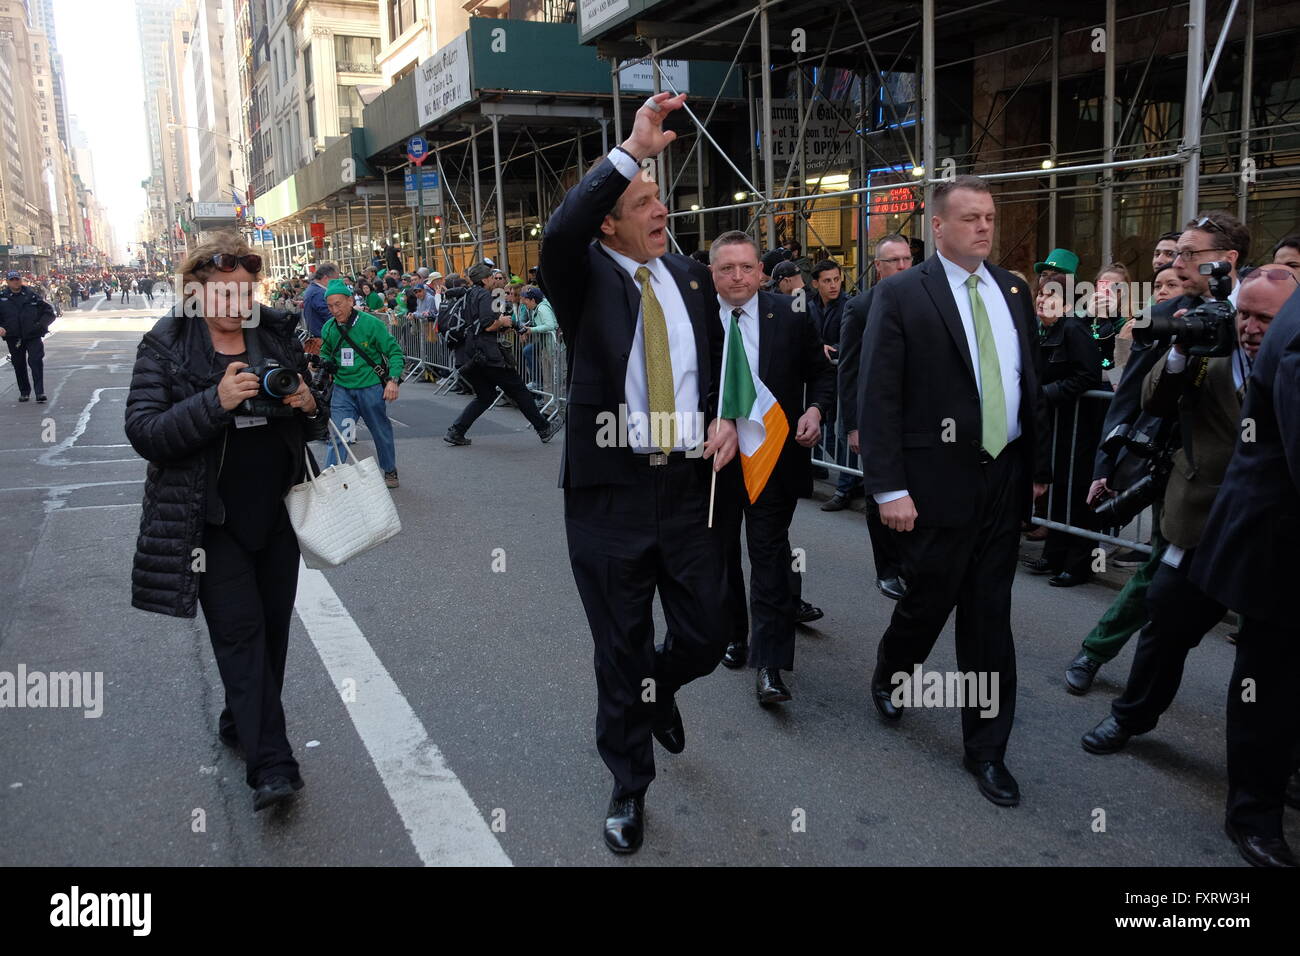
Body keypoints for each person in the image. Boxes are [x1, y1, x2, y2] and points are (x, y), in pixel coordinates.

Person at [539, 90, 737, 854]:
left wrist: (725, 415)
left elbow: (718, 367)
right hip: (608, 497)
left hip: (686, 488)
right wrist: (631, 149)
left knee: (707, 631)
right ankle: (629, 784)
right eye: (644, 201)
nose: (660, 211)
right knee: (618, 647)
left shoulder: (690, 278)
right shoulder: (580, 275)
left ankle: (660, 689)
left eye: (661, 199)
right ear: (609, 223)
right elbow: (559, 229)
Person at [858, 174, 1051, 807]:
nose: (985, 227)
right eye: (971, 218)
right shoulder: (904, 294)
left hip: (1003, 474)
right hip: (934, 481)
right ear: (937, 226)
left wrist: (1038, 467)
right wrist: (888, 487)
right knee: (928, 600)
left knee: (990, 617)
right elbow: (879, 394)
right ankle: (894, 670)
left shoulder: (1014, 290)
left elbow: (1028, 380)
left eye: (990, 217)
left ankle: (987, 749)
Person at [124, 233, 328, 813]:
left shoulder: (276, 332)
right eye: (225, 292)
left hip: (278, 514)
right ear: (195, 294)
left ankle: (243, 721)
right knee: (240, 634)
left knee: (273, 632)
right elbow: (146, 432)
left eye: (247, 290)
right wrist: (216, 401)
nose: (240, 302)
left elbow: (316, 413)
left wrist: (310, 404)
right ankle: (273, 765)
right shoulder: (166, 345)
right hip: (210, 523)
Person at [1080, 270, 1296, 774]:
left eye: (1266, 318)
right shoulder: (1208, 353)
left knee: (1271, 659)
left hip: (1270, 532)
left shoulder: (1293, 363)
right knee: (1166, 625)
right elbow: (1154, 400)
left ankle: (1277, 763)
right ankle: (1131, 717)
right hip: (1200, 520)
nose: (1251, 328)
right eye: (1245, 314)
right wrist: (1180, 350)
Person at [1064, 211, 1250, 693]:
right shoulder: (1169, 318)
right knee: (1157, 583)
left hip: (1260, 493)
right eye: (1172, 255)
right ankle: (1100, 658)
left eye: (1189, 254)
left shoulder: (1261, 311)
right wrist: (1109, 463)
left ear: (1226, 262)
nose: (1175, 263)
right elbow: (1132, 394)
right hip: (1187, 481)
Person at [710, 231, 835, 702]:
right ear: (713, 274)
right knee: (721, 556)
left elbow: (822, 373)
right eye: (727, 268)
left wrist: (816, 411)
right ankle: (734, 635)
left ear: (762, 272)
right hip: (715, 462)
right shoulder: (696, 320)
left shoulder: (788, 316)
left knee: (769, 558)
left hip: (775, 459)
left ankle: (771, 665)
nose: (738, 277)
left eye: (746, 267)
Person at [839, 233, 914, 600]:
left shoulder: (924, 301)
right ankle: (887, 569)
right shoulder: (861, 307)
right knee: (879, 495)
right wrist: (853, 424)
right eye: (894, 261)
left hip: (918, 420)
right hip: (875, 420)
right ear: (878, 267)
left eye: (907, 259)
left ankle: (913, 565)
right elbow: (849, 370)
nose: (902, 266)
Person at [1021, 261, 1105, 587]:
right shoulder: (1047, 329)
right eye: (1040, 296)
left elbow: (1088, 375)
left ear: (1068, 304)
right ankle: (1054, 554)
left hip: (1077, 426)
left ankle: (1079, 563)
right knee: (1057, 489)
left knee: (1076, 490)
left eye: (1050, 297)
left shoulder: (1074, 329)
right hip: (1055, 424)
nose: (1042, 301)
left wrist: (1047, 394)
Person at [442, 262, 559, 446]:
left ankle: (456, 431)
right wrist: (504, 321)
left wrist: (505, 325)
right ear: (484, 279)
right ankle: (544, 429)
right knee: (519, 390)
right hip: (488, 354)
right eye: (491, 277)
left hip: (470, 353)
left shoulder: (469, 294)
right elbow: (488, 324)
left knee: (485, 396)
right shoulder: (483, 295)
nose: (493, 280)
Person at [318, 278, 404, 489]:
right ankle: (332, 476)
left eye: (338, 304)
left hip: (371, 389)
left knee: (380, 431)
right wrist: (322, 365)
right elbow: (326, 352)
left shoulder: (371, 323)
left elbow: (394, 353)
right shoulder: (329, 328)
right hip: (343, 391)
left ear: (350, 300)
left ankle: (389, 468)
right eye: (330, 306)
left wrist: (393, 381)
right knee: (340, 435)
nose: (334, 310)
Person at [809, 258, 862, 511]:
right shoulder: (809, 307)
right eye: (827, 281)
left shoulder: (850, 305)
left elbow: (854, 340)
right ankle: (851, 477)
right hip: (820, 378)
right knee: (825, 432)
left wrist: (836, 349)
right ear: (816, 283)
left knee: (841, 432)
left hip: (842, 376)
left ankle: (844, 488)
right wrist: (817, 348)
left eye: (837, 279)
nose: (833, 285)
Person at [0, 270, 57, 403]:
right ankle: (24, 392)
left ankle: (39, 392)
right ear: (7, 282)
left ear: (21, 280)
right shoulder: (2, 297)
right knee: (19, 364)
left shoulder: (31, 295)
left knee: (36, 362)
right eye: (12, 279)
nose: (15, 281)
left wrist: (40, 326)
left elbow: (49, 312)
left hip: (33, 336)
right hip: (14, 337)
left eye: (17, 279)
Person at [518, 286, 556, 390]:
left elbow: (550, 325)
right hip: (546, 342)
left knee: (558, 375)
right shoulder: (536, 308)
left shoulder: (542, 308)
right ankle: (537, 381)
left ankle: (560, 401)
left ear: (533, 300)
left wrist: (532, 330)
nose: (524, 301)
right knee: (528, 350)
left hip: (554, 344)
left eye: (526, 299)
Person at [300, 263, 338, 351]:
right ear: (325, 278)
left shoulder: (312, 289)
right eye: (335, 279)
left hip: (318, 337)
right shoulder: (318, 293)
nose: (337, 282)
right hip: (323, 340)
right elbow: (331, 317)